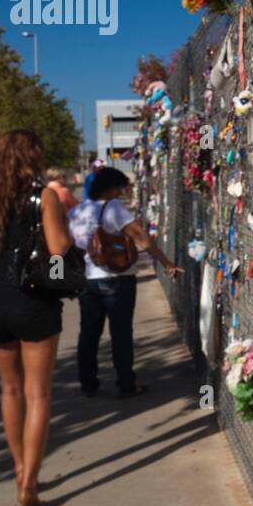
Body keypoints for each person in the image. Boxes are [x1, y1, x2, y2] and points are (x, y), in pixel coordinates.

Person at [0, 129, 73, 506]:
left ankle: (17, 469)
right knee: (38, 394)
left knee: (9, 390)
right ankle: (31, 480)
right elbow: (59, 248)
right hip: (33, 303)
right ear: (32, 155)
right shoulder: (43, 195)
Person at [68, 168, 180, 399]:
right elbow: (141, 238)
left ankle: (88, 383)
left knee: (88, 334)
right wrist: (166, 262)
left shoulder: (77, 211)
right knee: (120, 333)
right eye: (119, 188)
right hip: (117, 279)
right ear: (110, 188)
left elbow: (65, 246)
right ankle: (126, 384)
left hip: (87, 280)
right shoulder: (113, 208)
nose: (120, 192)